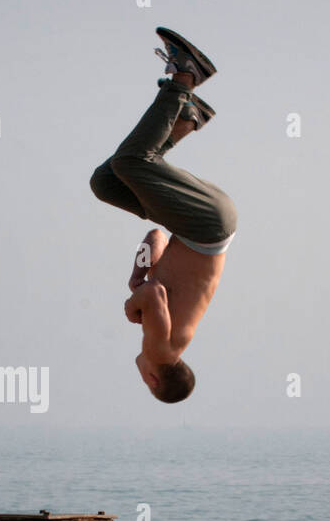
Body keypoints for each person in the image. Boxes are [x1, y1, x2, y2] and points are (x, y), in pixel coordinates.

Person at [90, 27, 238, 403]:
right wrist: (134, 301)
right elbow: (154, 293)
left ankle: (186, 118)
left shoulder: (170, 333)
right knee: (132, 161)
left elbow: (156, 238)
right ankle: (185, 77)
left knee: (106, 182)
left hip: (200, 226)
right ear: (153, 381)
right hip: (205, 225)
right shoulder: (162, 351)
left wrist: (139, 271)